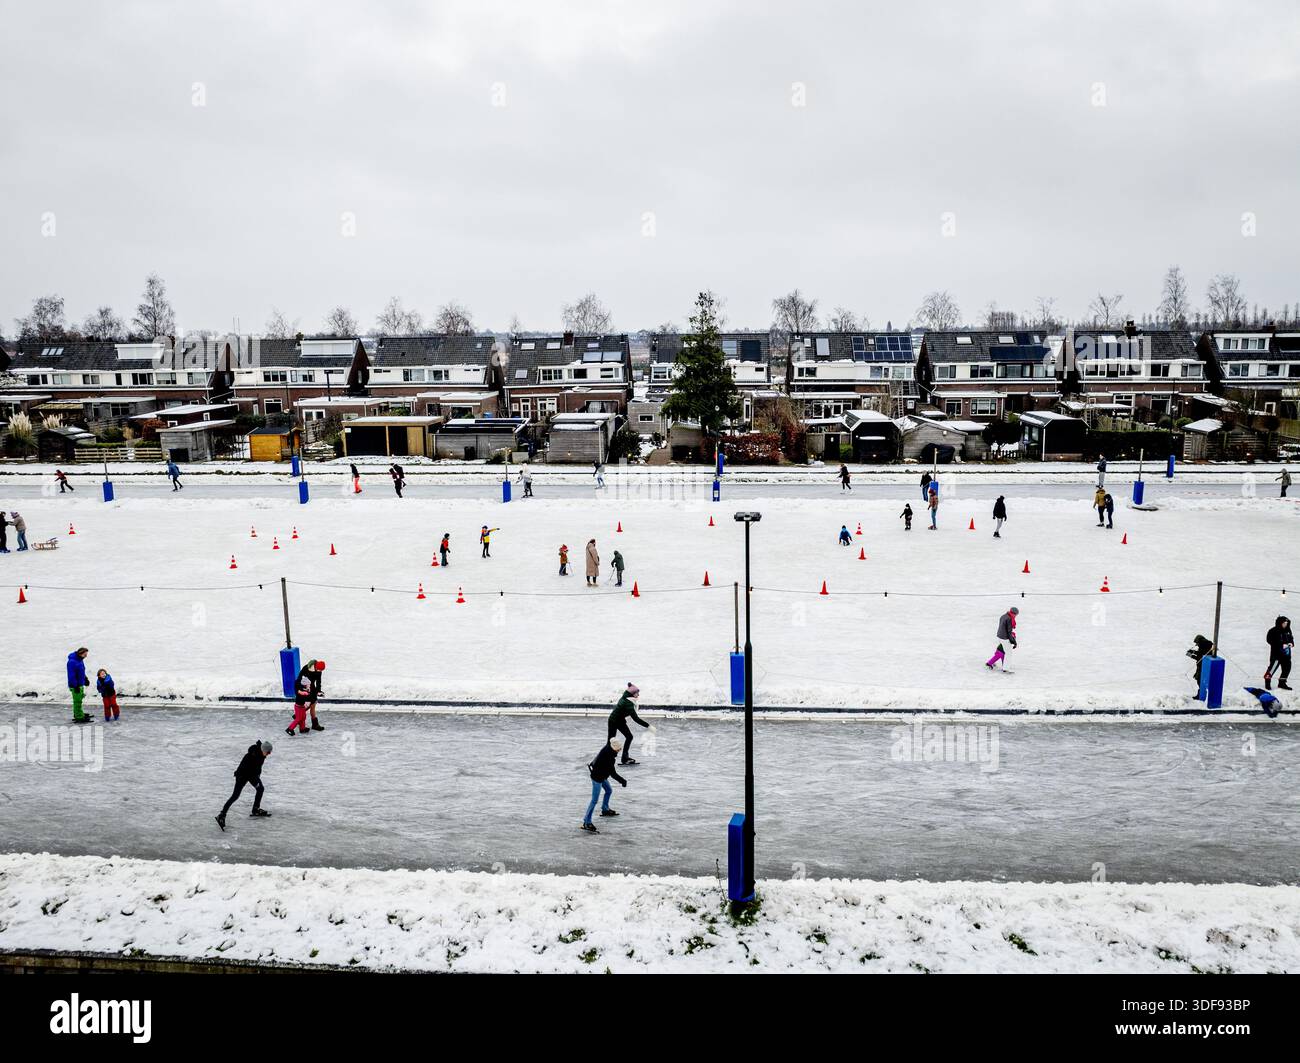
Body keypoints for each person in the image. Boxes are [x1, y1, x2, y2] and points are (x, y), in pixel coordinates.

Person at [216, 740, 273, 830]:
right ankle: (221, 815)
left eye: (270, 752)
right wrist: (255, 777)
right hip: (242, 775)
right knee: (235, 796)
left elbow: (258, 767)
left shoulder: (261, 754)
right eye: (268, 752)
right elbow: (246, 769)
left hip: (252, 775)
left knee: (260, 789)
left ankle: (255, 809)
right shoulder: (252, 755)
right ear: (263, 750)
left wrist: (257, 776)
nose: (269, 754)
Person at [581, 736, 627, 833]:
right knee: (594, 800)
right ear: (615, 748)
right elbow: (613, 773)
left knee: (609, 790)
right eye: (619, 748)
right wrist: (622, 780)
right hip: (597, 778)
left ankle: (605, 809)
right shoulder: (609, 757)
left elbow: (611, 739)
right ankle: (586, 821)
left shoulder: (608, 748)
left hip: (601, 775)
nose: (620, 749)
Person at [607, 682, 650, 765]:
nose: (638, 695)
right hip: (613, 721)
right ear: (632, 694)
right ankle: (601, 760)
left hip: (619, 721)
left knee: (629, 737)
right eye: (637, 693)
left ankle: (624, 758)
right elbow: (636, 719)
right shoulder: (628, 703)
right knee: (610, 742)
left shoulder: (627, 698)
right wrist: (648, 725)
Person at [296, 659, 326, 730]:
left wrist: (319, 691)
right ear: (315, 666)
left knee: (313, 704)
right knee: (307, 705)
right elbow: (299, 679)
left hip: (312, 687)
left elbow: (318, 682)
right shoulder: (306, 668)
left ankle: (314, 724)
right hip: (304, 688)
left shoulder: (319, 671)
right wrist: (300, 690)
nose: (319, 671)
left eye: (321, 670)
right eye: (319, 669)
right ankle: (300, 719)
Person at [1265, 615, 1293, 691]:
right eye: (1284, 623)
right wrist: (1281, 645)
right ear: (1279, 623)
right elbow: (1269, 640)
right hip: (1276, 655)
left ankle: (1282, 683)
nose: (1285, 625)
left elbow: (1291, 638)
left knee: (1287, 668)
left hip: (1286, 655)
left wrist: (1291, 643)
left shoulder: (1288, 631)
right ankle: (1267, 682)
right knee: (1272, 669)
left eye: (1286, 623)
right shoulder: (1273, 631)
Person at [67, 647, 91, 723]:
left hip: (80, 684)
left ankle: (79, 713)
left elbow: (81, 672)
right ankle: (79, 717)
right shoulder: (72, 662)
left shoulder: (80, 660)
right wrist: (75, 686)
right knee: (77, 702)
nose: (86, 656)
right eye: (85, 654)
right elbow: (71, 675)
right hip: (75, 686)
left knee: (79, 700)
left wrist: (85, 679)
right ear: (80, 653)